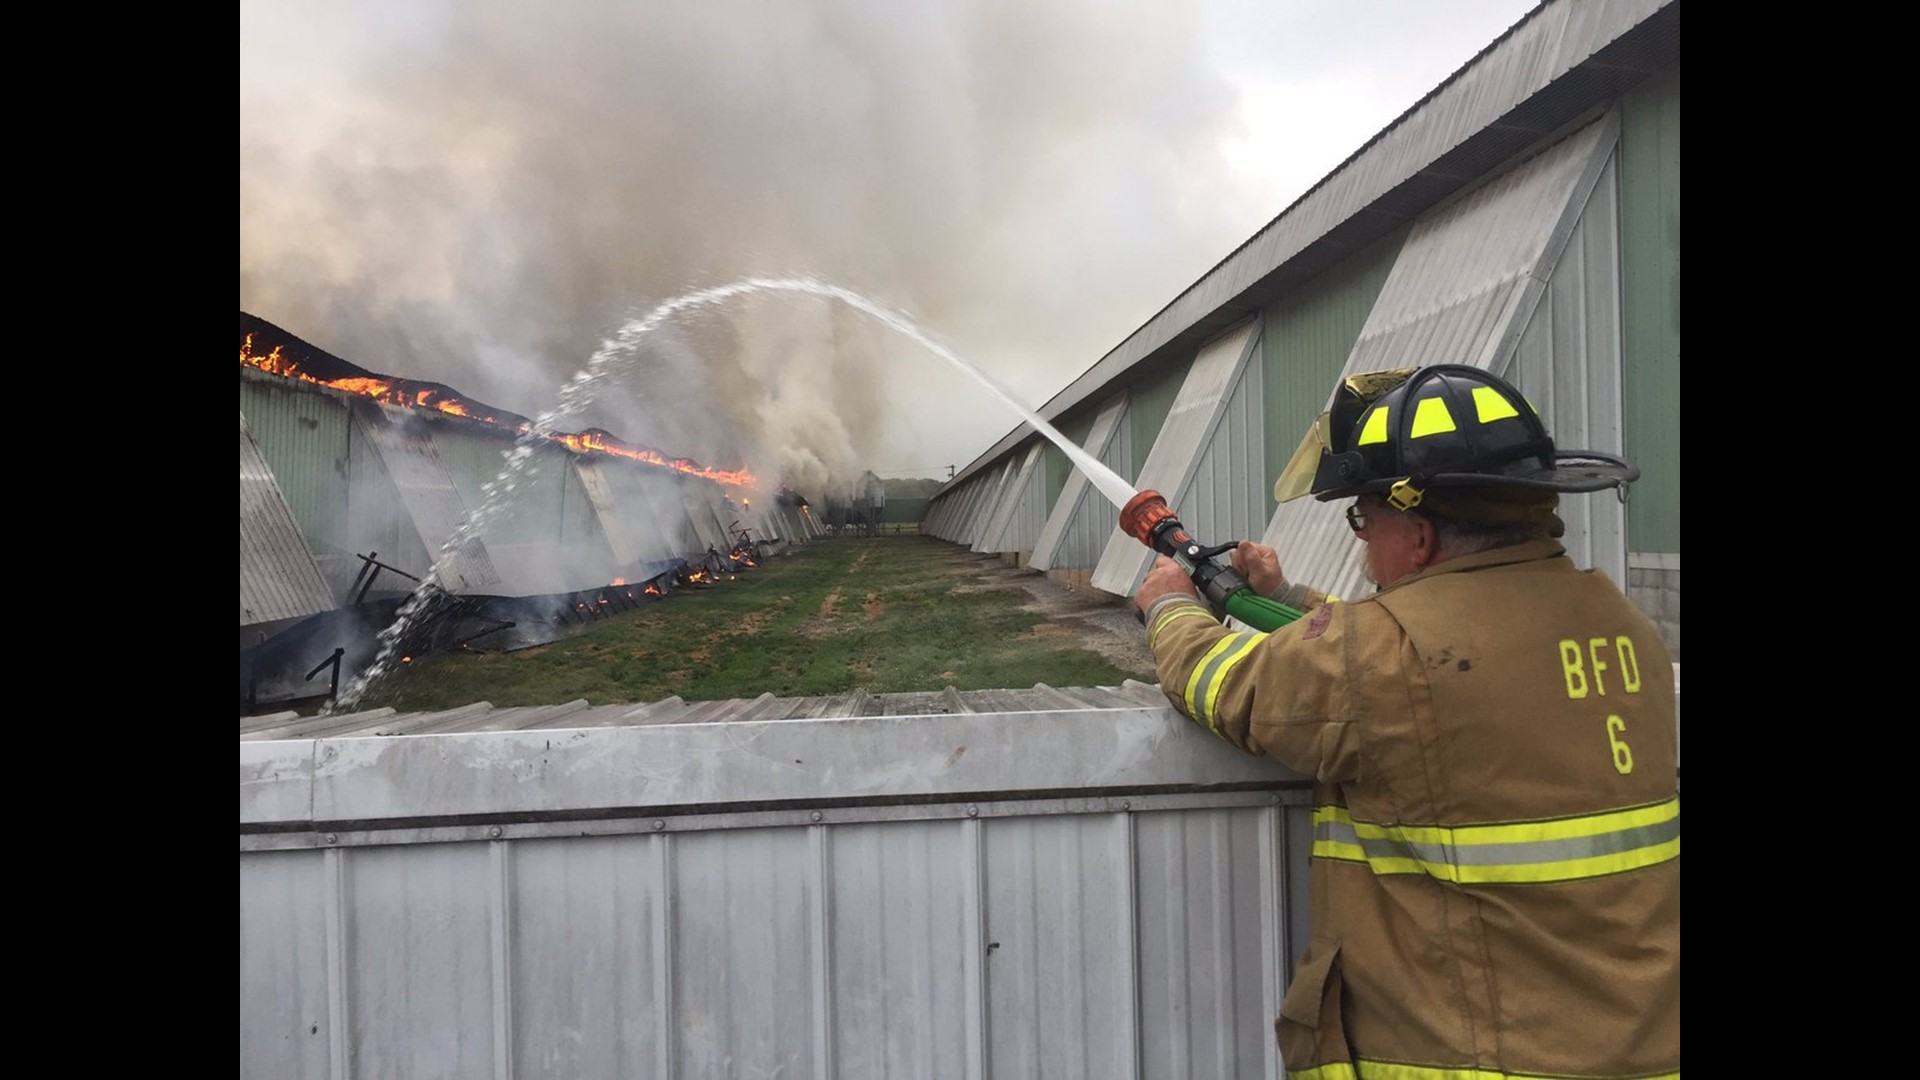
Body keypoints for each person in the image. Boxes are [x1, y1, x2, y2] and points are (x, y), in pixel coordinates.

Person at [1134, 364, 1678, 1078]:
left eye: (1364, 520)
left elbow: (1230, 684)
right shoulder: (1622, 627)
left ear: (1418, 535)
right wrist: (1288, 596)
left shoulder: (1380, 656)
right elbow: (1422, 651)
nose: (1361, 545)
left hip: (1481, 1057)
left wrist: (1170, 603)